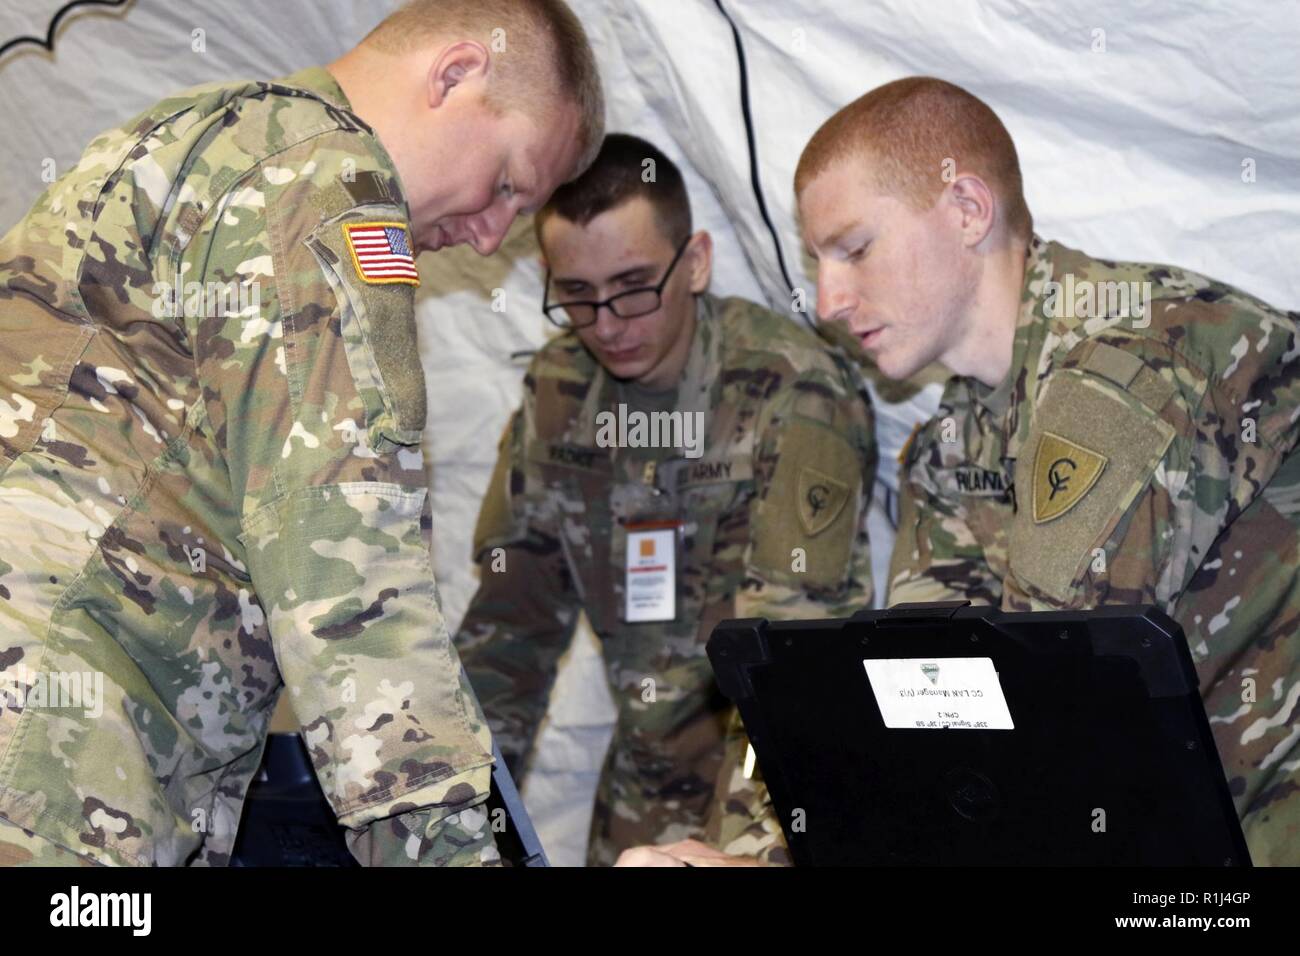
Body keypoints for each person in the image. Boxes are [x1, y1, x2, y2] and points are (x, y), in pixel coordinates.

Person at [622, 75, 1299, 867]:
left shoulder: (1122, 371)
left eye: (855, 249)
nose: (830, 300)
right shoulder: (960, 435)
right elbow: (919, 699)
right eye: (817, 262)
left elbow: (1043, 716)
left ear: (969, 211)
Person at [0, 0, 604, 867]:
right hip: (55, 753)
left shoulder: (181, 134)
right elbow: (351, 579)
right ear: (455, 73)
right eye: (508, 182)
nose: (490, 232)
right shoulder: (327, 180)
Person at [453, 133, 877, 865]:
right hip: (637, 808)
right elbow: (508, 631)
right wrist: (457, 825)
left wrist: (741, 859)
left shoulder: (793, 391)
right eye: (578, 296)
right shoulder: (560, 391)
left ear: (698, 262)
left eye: (634, 286)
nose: (609, 324)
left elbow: (797, 667)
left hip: (774, 805)